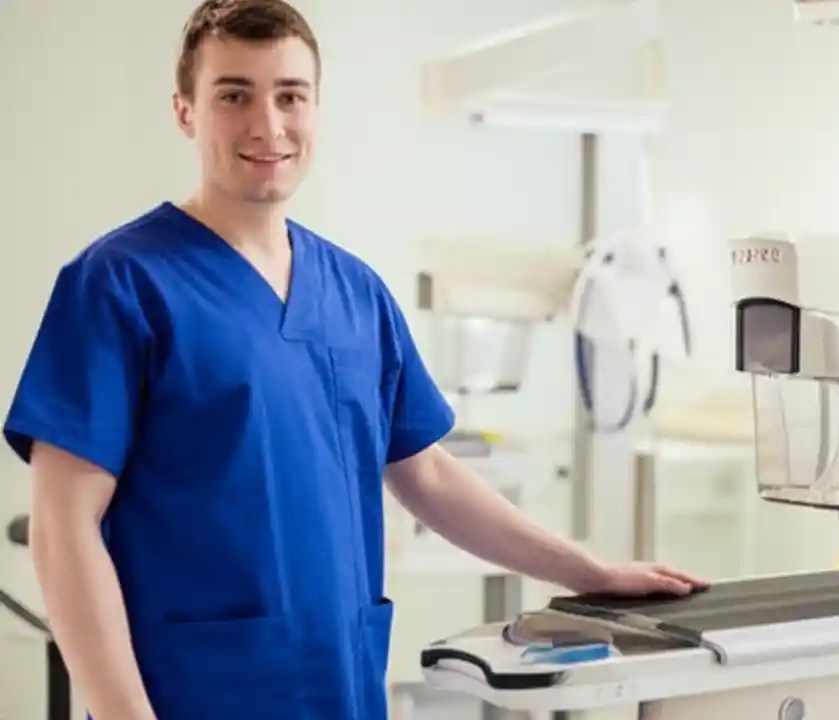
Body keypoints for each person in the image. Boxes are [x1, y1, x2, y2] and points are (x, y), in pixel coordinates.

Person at [2, 1, 707, 718]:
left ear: (316, 109)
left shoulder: (354, 293)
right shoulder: (120, 283)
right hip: (188, 695)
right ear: (186, 112)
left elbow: (425, 472)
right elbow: (63, 529)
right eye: (233, 95)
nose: (267, 125)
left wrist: (588, 570)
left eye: (289, 96)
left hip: (338, 688)